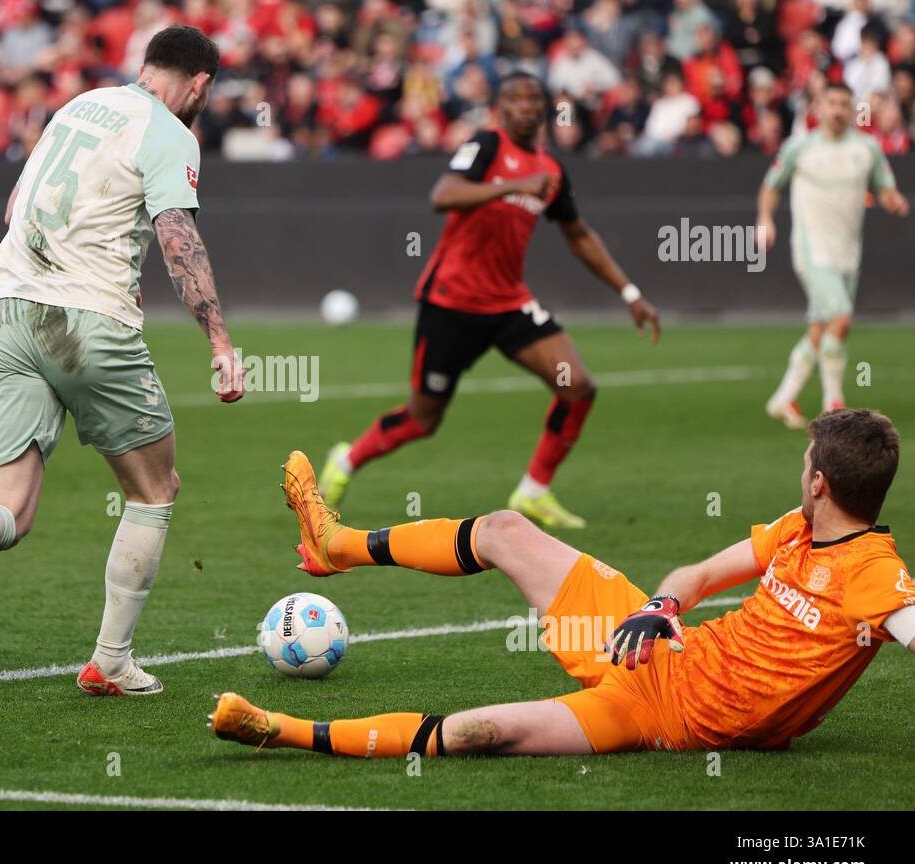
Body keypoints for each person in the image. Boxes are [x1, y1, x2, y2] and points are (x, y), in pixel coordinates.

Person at [214, 409, 912, 757]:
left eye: (804, 462)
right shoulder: (799, 524)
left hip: (662, 719)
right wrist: (663, 606)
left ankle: (278, 727)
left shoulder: (874, 573)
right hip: (658, 649)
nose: (800, 472)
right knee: (506, 530)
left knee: (482, 732)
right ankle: (335, 546)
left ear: (821, 480)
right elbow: (699, 574)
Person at [0, 25, 244, 697]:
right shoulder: (172, 132)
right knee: (153, 490)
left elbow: (19, 211)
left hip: (12, 310)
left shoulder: (79, 106)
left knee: (9, 510)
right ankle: (110, 660)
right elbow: (177, 235)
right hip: (90, 321)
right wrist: (220, 341)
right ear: (199, 84)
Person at [318, 72, 660, 530]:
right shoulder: (486, 146)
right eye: (514, 100)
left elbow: (578, 234)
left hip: (507, 304)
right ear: (501, 108)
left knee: (578, 386)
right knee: (423, 420)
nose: (524, 107)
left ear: (544, 110)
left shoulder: (552, 172)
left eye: (532, 100)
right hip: (451, 302)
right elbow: (443, 195)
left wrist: (630, 293)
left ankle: (533, 491)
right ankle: (348, 459)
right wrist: (510, 188)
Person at [759, 81, 908, 428]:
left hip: (847, 253)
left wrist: (893, 201)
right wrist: (764, 219)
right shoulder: (800, 147)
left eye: (845, 103)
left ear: (852, 108)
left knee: (821, 327)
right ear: (819, 107)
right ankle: (833, 404)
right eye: (832, 103)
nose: (839, 110)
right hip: (812, 249)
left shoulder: (867, 148)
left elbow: (885, 188)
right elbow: (770, 186)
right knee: (841, 317)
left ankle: (782, 398)